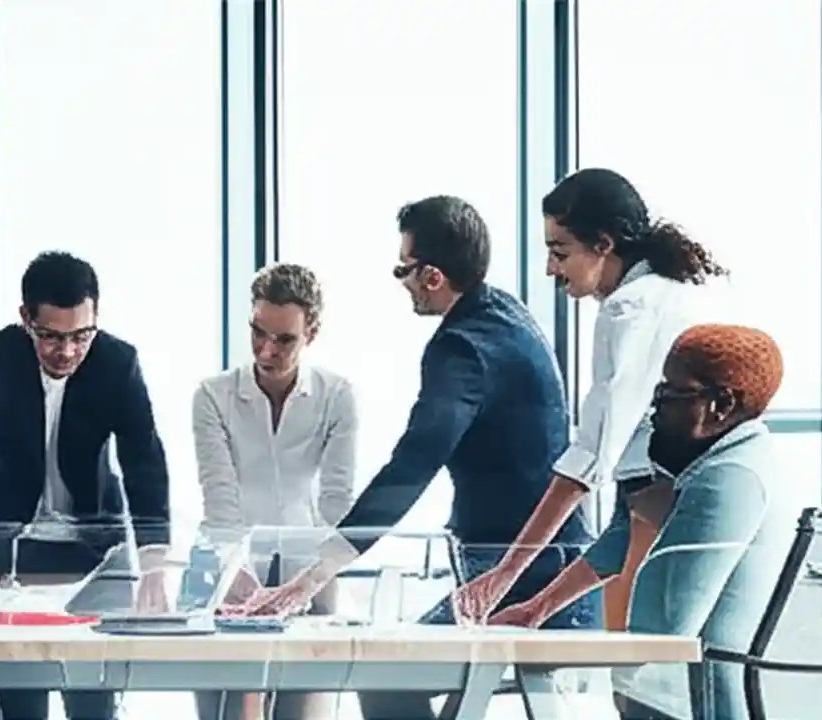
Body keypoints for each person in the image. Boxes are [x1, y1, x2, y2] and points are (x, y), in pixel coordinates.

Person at [240, 195, 601, 720]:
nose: (402, 283)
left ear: (432, 276)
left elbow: (413, 464)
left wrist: (312, 577)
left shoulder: (459, 348)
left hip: (521, 577)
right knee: (392, 673)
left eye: (402, 270)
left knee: (385, 671)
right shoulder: (508, 315)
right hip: (543, 565)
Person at [454, 168, 729, 629]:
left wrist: (506, 572)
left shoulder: (629, 309)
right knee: (660, 686)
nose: (549, 268)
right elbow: (622, 526)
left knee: (656, 683)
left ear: (603, 244)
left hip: (685, 513)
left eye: (559, 251)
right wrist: (536, 608)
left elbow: (592, 457)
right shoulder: (667, 295)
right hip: (677, 509)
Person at [490, 324, 795, 720]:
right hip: (673, 700)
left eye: (671, 392)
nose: (656, 406)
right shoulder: (716, 461)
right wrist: (537, 609)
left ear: (721, 405)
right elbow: (620, 540)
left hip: (694, 707)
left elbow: (665, 630)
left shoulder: (730, 479)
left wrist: (645, 510)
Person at [0, 250, 170, 720]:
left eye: (79, 336)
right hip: (9, 552)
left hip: (93, 550)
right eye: (50, 336)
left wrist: (153, 562)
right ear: (25, 318)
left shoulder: (117, 361)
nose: (66, 351)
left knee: (94, 699)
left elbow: (144, 460)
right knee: (22, 701)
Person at [192, 263, 356, 720]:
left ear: (312, 333)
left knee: (305, 712)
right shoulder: (213, 395)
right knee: (229, 712)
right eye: (257, 333)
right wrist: (236, 574)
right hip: (229, 570)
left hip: (310, 575)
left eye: (284, 340)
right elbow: (219, 500)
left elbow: (337, 502)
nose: (267, 350)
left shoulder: (336, 396)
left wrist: (311, 581)